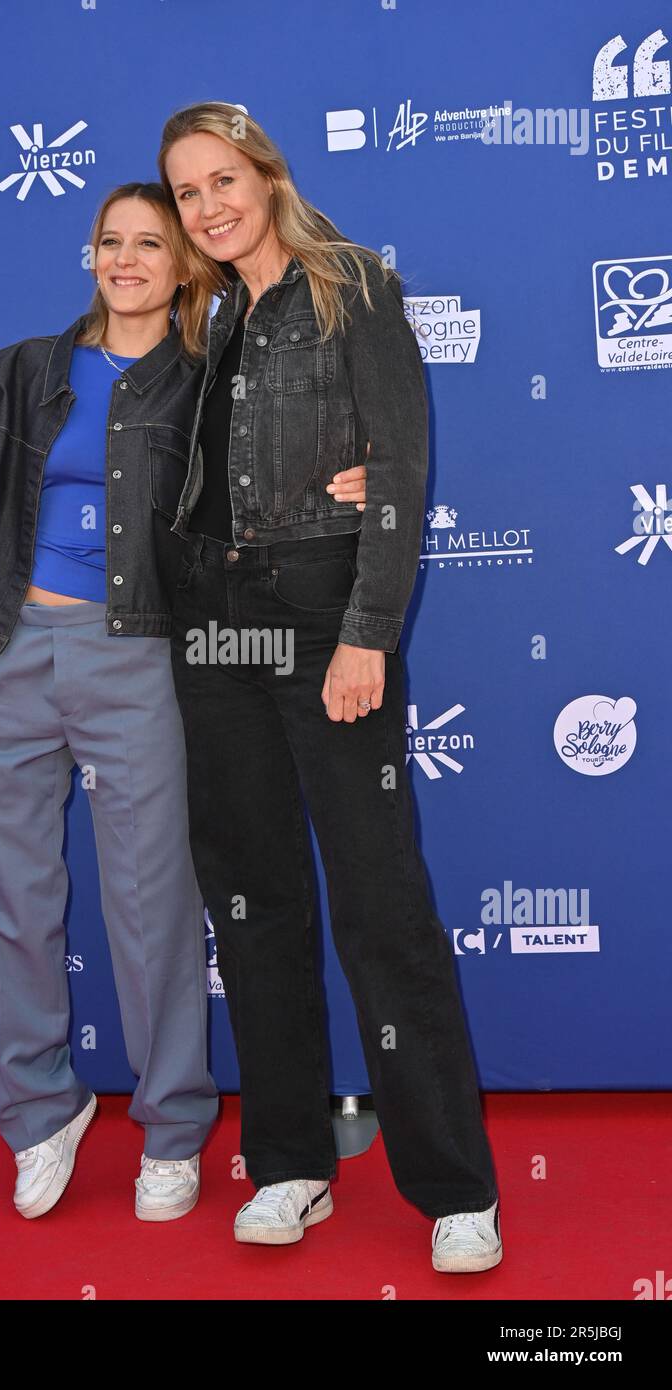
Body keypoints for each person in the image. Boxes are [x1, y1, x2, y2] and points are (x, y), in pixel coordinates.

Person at [0, 181, 368, 1223]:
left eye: (151, 244)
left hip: (135, 659)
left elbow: (250, 500)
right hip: (4, 653)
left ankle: (172, 1126)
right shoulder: (17, 371)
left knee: (153, 904)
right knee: (12, 906)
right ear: (91, 256)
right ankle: (40, 1114)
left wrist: (351, 482)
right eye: (110, 242)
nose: (126, 259)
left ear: (186, 267)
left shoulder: (201, 384)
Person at [158, 103, 503, 1272]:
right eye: (186, 193)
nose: (206, 207)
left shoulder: (353, 281)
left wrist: (368, 630)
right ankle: (292, 1162)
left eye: (221, 181)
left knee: (379, 900)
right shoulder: (205, 316)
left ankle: (456, 1186)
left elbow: (398, 463)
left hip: (322, 618)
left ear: (266, 173)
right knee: (253, 902)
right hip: (218, 629)